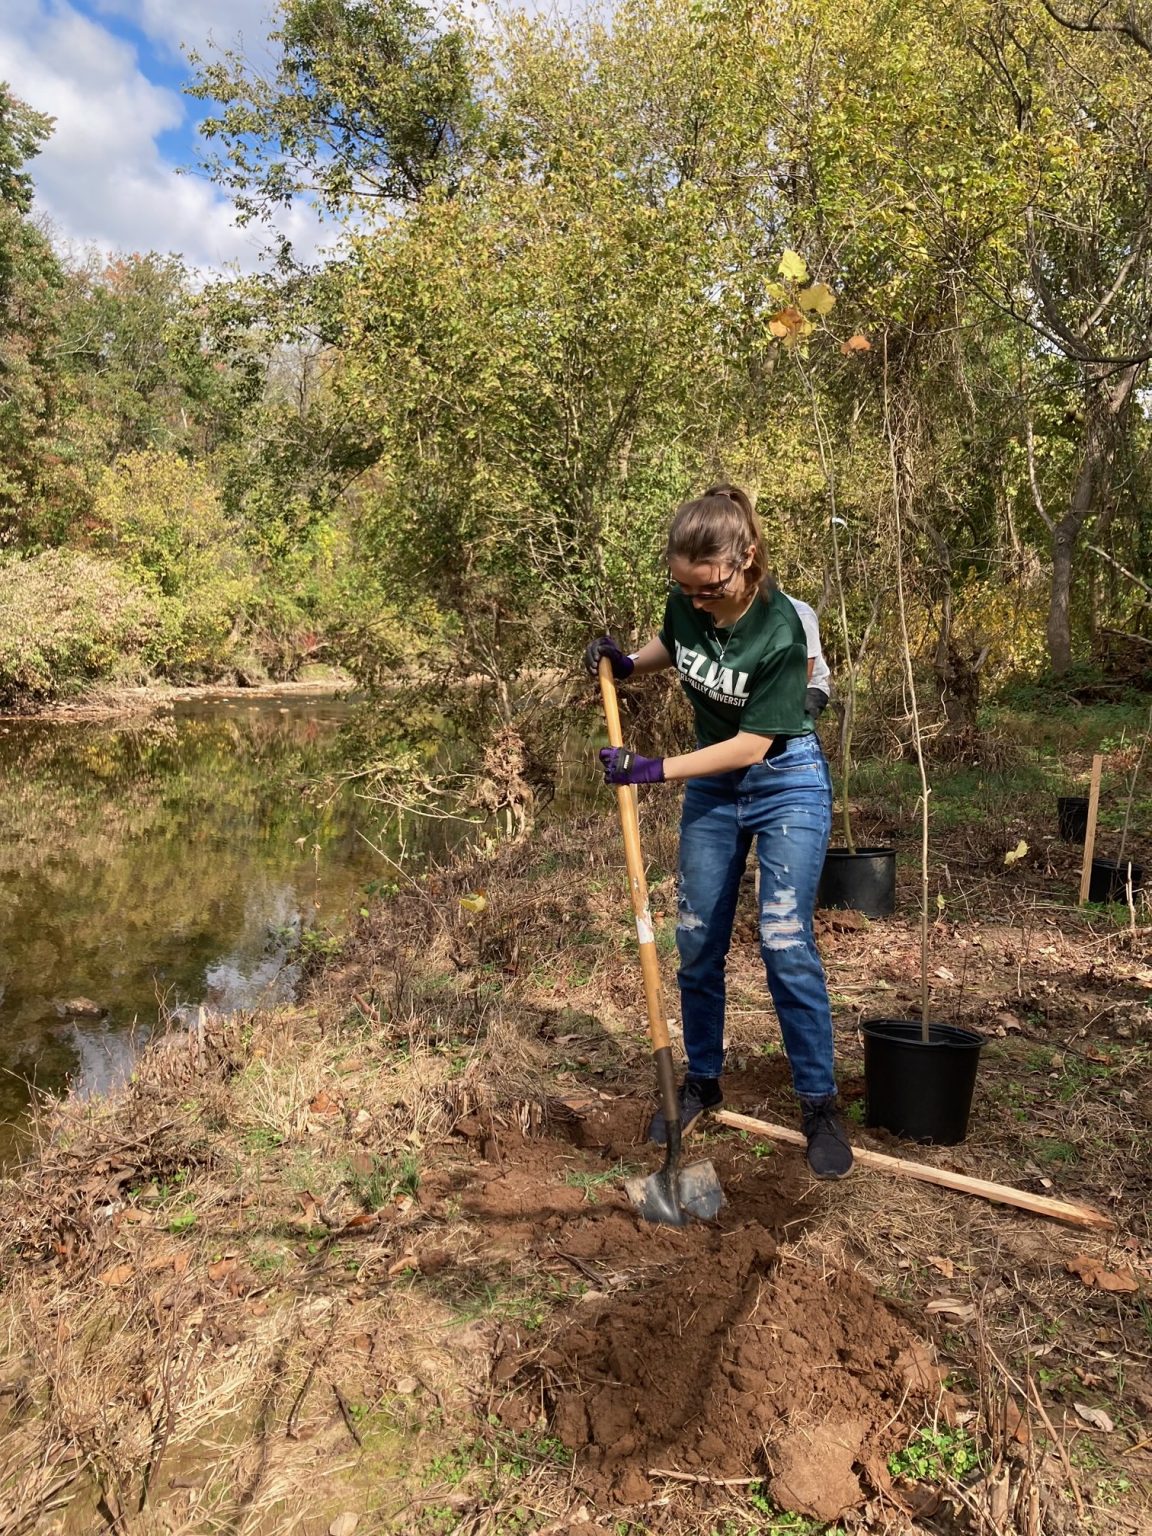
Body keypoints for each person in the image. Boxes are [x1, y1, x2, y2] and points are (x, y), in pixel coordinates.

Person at [584, 482, 852, 1179]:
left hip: (782, 779)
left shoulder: (782, 630)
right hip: (713, 787)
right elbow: (673, 642)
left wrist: (652, 770)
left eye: (707, 588)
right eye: (684, 587)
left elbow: (752, 745)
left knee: (785, 942)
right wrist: (628, 663)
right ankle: (702, 1080)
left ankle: (819, 1103)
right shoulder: (686, 601)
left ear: (747, 560)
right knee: (697, 941)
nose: (694, 600)